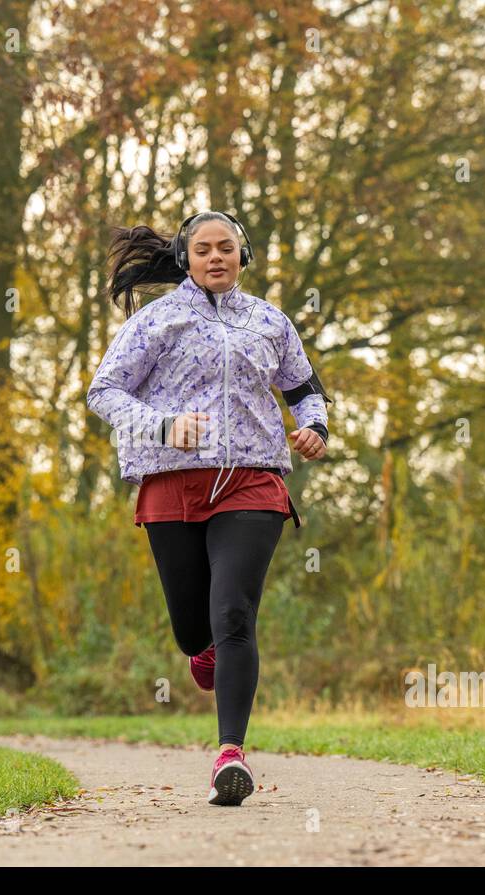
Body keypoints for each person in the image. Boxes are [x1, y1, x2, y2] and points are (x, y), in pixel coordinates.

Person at [87, 209, 333, 806]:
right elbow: (104, 391)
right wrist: (163, 426)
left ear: (243, 256)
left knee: (233, 613)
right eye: (203, 249)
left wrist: (315, 426)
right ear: (187, 258)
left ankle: (230, 754)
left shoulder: (270, 322)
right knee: (193, 629)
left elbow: (302, 386)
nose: (216, 257)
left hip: (252, 481)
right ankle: (203, 652)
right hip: (172, 482)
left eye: (226, 248)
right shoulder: (158, 320)